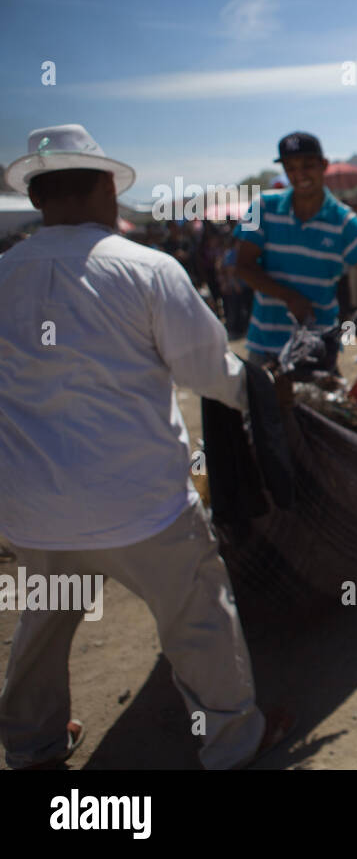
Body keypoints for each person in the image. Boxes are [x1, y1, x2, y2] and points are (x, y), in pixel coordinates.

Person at [0, 125, 291, 769]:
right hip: (141, 503)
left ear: (39, 195)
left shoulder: (4, 275)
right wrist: (270, 400)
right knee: (197, 617)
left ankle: (31, 744)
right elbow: (208, 372)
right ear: (105, 187)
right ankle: (230, 740)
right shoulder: (145, 268)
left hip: (33, 507)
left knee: (44, 623)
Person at [233, 132, 357, 366]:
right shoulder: (261, 207)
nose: (300, 175)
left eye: (307, 166)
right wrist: (289, 297)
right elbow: (243, 267)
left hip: (319, 345)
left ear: (323, 165)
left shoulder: (345, 221)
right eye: (291, 168)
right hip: (266, 344)